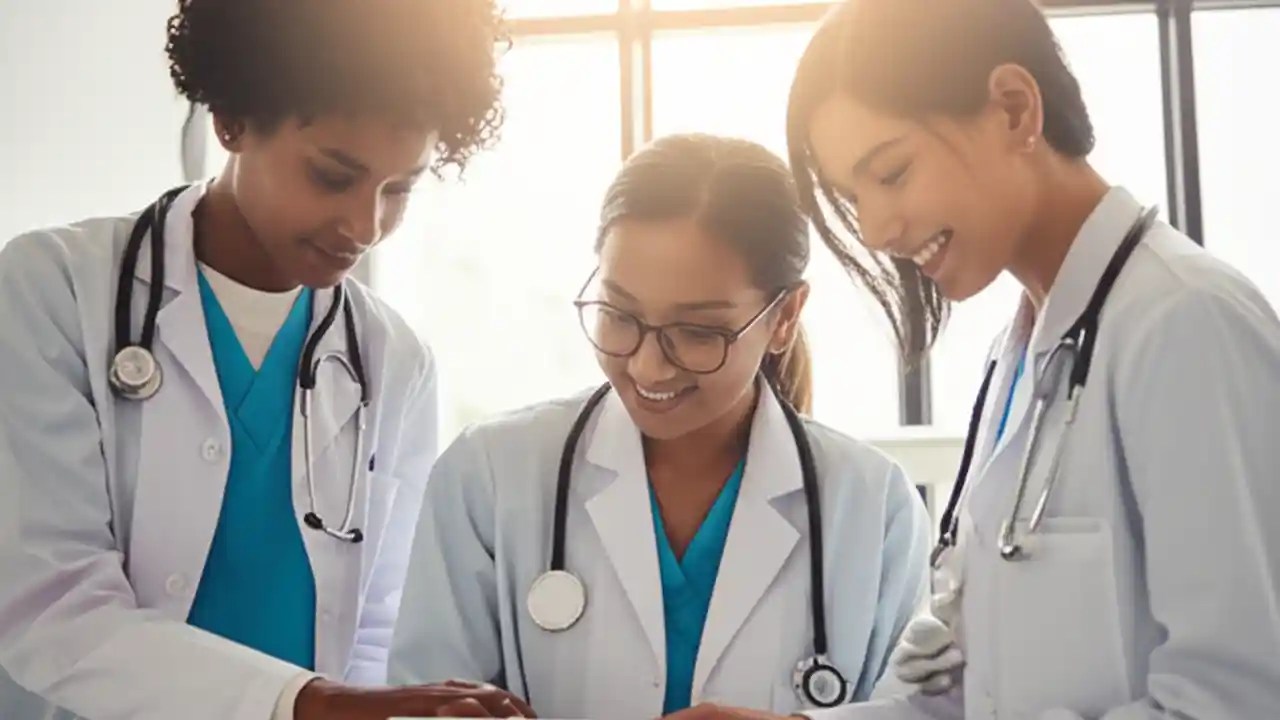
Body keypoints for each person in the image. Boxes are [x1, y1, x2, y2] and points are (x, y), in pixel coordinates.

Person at [666, 1, 1280, 719]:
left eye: (891, 173)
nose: (875, 229)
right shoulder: (1019, 361)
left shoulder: (1186, 325)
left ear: (1016, 109)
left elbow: (1239, 699)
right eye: (851, 197)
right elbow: (972, 699)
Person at [0, 1, 534, 719]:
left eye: (399, 188)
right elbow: (49, 605)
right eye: (333, 175)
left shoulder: (393, 358)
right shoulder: (53, 290)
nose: (366, 225)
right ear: (231, 119)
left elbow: (379, 626)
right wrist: (310, 704)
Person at [386, 133, 932, 720]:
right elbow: (422, 700)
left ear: (784, 317)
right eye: (620, 316)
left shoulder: (872, 504)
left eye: (699, 333)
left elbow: (924, 711)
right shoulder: (491, 475)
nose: (648, 366)